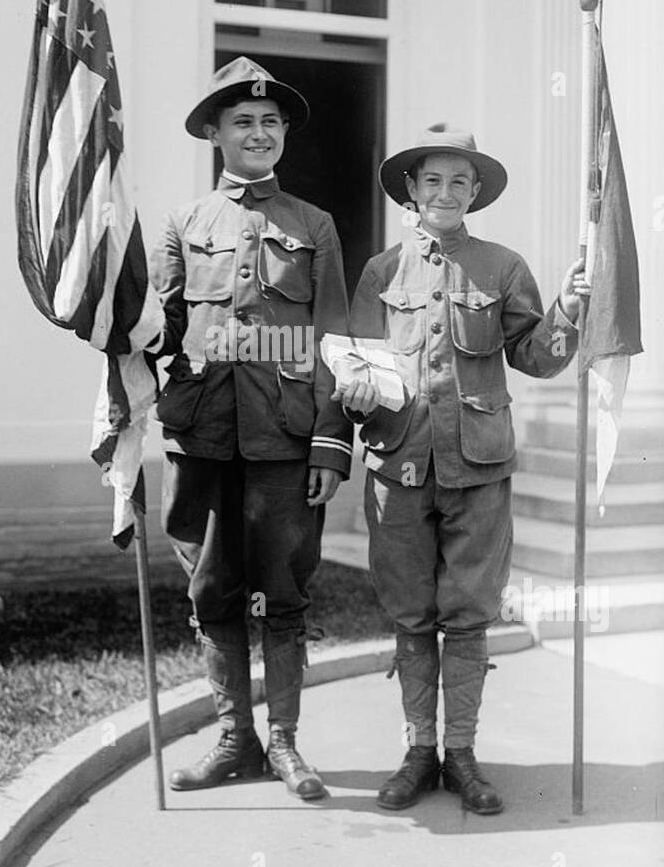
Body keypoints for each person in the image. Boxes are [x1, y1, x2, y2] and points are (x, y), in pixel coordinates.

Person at [336, 124, 590, 814]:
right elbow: (356, 362)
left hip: (477, 467)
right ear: (409, 194)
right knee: (411, 616)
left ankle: (463, 754)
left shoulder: (502, 266)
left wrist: (567, 307)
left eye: (458, 182)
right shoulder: (380, 273)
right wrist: (352, 397)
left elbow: (535, 357)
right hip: (398, 466)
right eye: (431, 181)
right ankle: (419, 752)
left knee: (468, 615)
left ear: (473, 193)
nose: (443, 193)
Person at [149, 56, 353, 800]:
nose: (258, 133)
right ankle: (236, 739)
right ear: (214, 134)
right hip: (200, 436)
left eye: (270, 123)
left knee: (285, 593)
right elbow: (162, 327)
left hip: (284, 440)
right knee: (212, 592)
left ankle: (287, 745)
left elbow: (333, 340)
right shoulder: (183, 223)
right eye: (242, 122)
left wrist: (332, 442)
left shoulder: (313, 225)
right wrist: (120, 326)